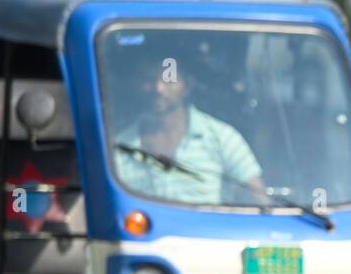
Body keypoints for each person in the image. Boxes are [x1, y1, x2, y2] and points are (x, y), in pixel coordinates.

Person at [112, 47, 267, 205]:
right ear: (134, 86)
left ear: (187, 85)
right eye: (147, 80)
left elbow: (258, 202)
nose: (158, 88)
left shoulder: (222, 139)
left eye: (168, 78)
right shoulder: (120, 149)